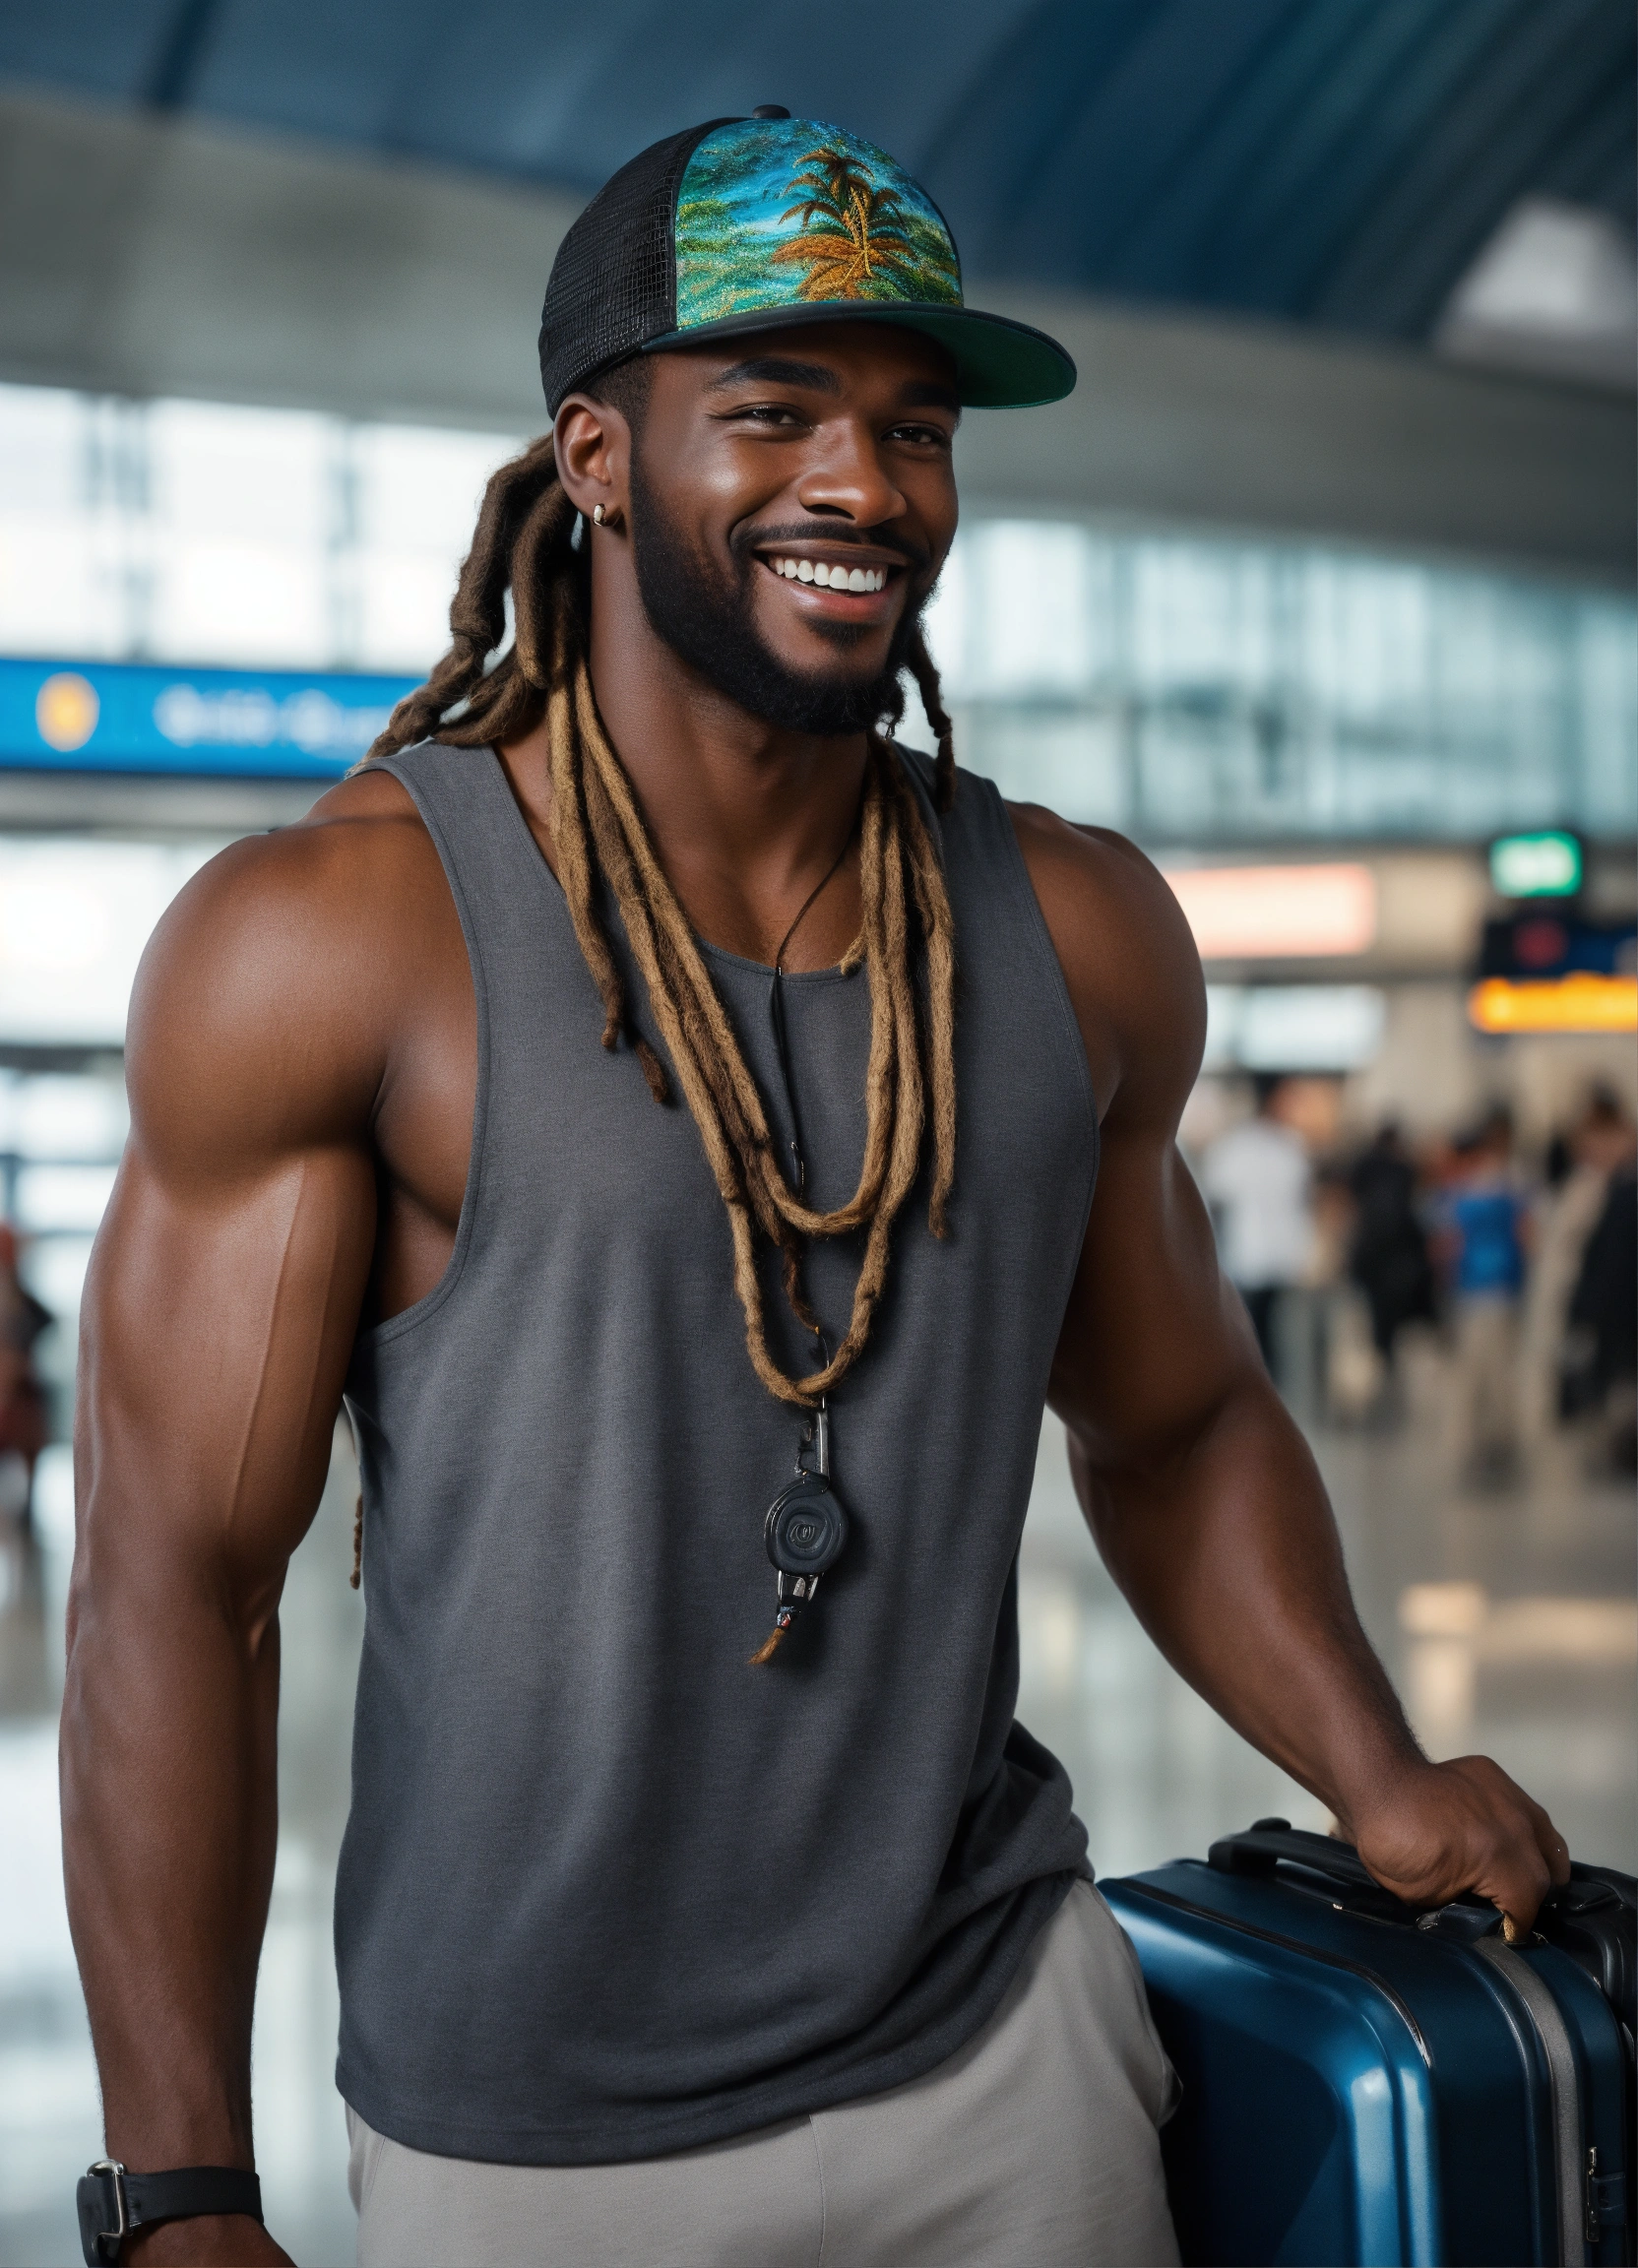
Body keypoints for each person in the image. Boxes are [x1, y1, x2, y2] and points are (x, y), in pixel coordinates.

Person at [64, 111, 1568, 2268]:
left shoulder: (1075, 930)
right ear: (592, 454)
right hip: (528, 2135)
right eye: (771, 412)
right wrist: (180, 2186)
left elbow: (1176, 1421)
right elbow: (169, 1589)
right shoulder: (335, 947)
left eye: (914, 425)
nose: (865, 486)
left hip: (1000, 2056)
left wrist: (1379, 1767)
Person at [1199, 1073, 1314, 1384]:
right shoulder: (1240, 1146)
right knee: (1251, 1334)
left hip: (1278, 1256)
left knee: (1274, 1335)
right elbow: (1216, 1201)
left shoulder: (1289, 1145)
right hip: (1248, 1255)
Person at [1436, 1108, 1530, 1485]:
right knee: (1500, 1370)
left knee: (1473, 1373)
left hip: (1473, 1286)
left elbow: (1448, 1244)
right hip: (1505, 1287)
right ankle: (1501, 1443)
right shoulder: (1513, 1187)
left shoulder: (1463, 1195)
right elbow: (1528, 1237)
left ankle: (1477, 1446)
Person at [1347, 1120, 1435, 1389]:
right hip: (1396, 1260)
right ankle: (1385, 1372)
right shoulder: (1402, 1171)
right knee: (1391, 1327)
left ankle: (1380, 1370)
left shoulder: (1365, 1168)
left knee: (1376, 1325)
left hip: (1373, 1258)